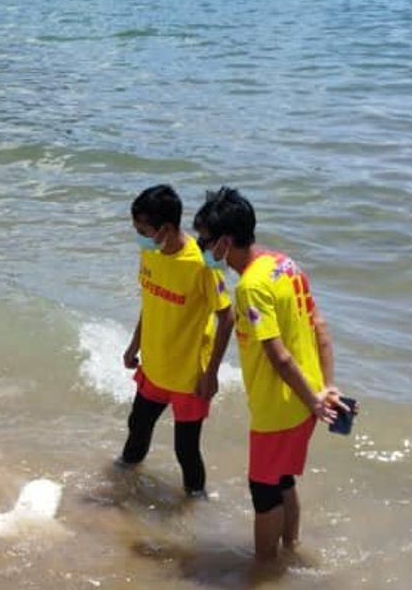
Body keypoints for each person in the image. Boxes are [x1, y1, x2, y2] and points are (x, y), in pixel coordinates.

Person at [194, 187, 344, 561]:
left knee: (262, 489)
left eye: (205, 241)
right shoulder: (285, 265)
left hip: (280, 407)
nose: (201, 248)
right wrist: (326, 388)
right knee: (282, 480)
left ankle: (263, 570)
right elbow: (320, 327)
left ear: (225, 242)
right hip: (306, 399)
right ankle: (290, 548)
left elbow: (279, 357)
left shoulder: (250, 287)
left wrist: (314, 400)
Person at [120, 185, 234, 496]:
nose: (139, 237)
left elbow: (227, 317)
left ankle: (195, 506)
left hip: (190, 375)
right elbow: (149, 301)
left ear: (166, 229)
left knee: (185, 449)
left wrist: (211, 373)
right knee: (137, 427)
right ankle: (122, 487)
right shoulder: (150, 251)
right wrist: (134, 345)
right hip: (155, 363)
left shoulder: (201, 265)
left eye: (143, 231)